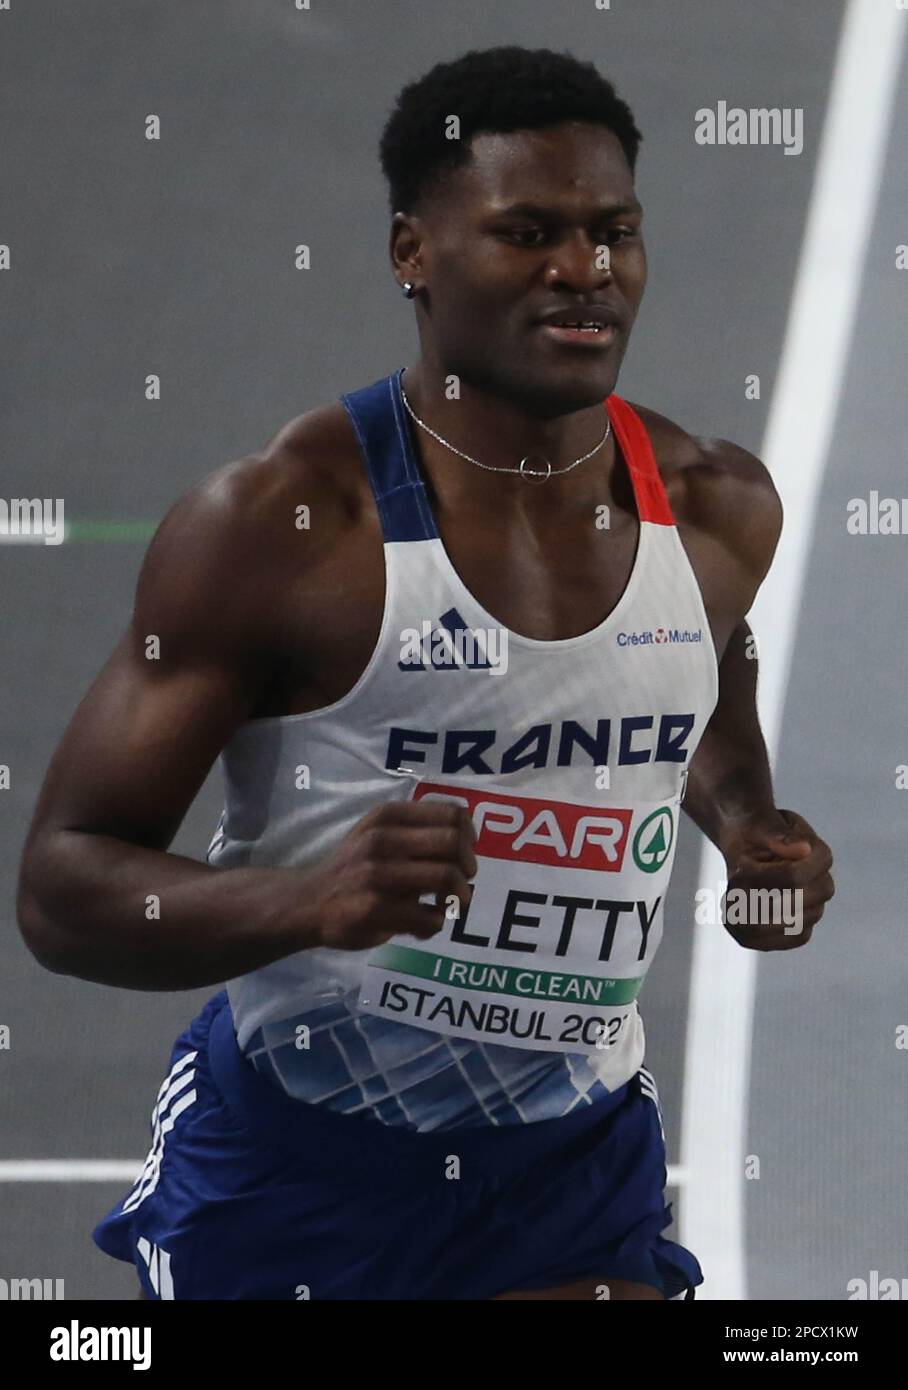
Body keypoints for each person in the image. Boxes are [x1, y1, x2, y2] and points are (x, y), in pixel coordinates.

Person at [16, 45, 835, 1301]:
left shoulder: (717, 510)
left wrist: (745, 825)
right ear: (412, 252)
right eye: (527, 232)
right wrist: (311, 904)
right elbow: (64, 891)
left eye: (612, 231)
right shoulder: (286, 530)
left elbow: (698, 671)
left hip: (570, 1167)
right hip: (300, 1178)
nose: (585, 272)